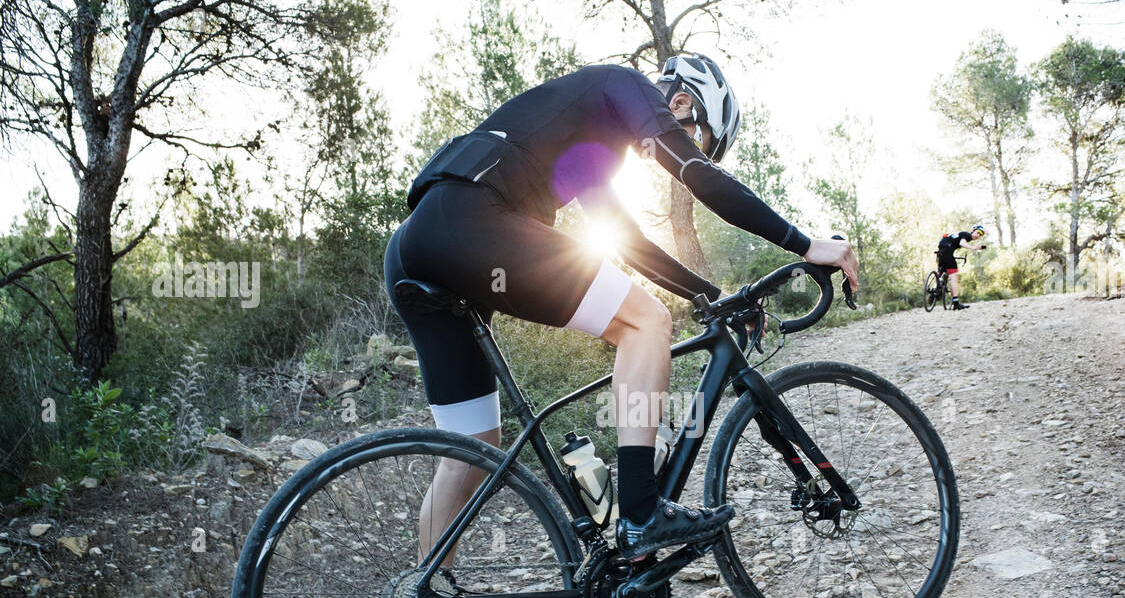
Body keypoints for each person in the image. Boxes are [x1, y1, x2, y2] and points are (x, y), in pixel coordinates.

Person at [383, 54, 859, 571]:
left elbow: (628, 244)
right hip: (473, 221)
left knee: (470, 450)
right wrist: (806, 243)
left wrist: (709, 295)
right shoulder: (624, 84)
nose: (686, 153)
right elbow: (701, 176)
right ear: (680, 102)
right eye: (694, 134)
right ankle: (641, 511)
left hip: (419, 243)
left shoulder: (591, 136)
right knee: (646, 321)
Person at [936, 225, 986, 310]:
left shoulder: (959, 234)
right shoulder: (967, 235)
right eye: (978, 232)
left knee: (941, 272)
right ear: (972, 230)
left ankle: (935, 290)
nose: (978, 236)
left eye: (980, 235)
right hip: (947, 250)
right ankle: (956, 303)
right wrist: (973, 248)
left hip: (941, 250)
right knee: (954, 277)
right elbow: (961, 243)